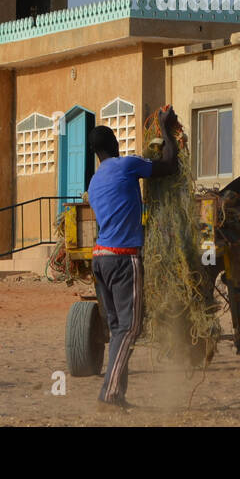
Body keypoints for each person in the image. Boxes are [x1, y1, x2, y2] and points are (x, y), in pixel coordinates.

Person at [88, 106, 181, 411]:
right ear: (114, 145)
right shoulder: (126, 165)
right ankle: (109, 394)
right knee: (130, 329)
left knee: (117, 330)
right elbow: (169, 166)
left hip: (100, 258)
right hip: (123, 259)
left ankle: (118, 393)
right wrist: (166, 130)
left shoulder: (95, 180)